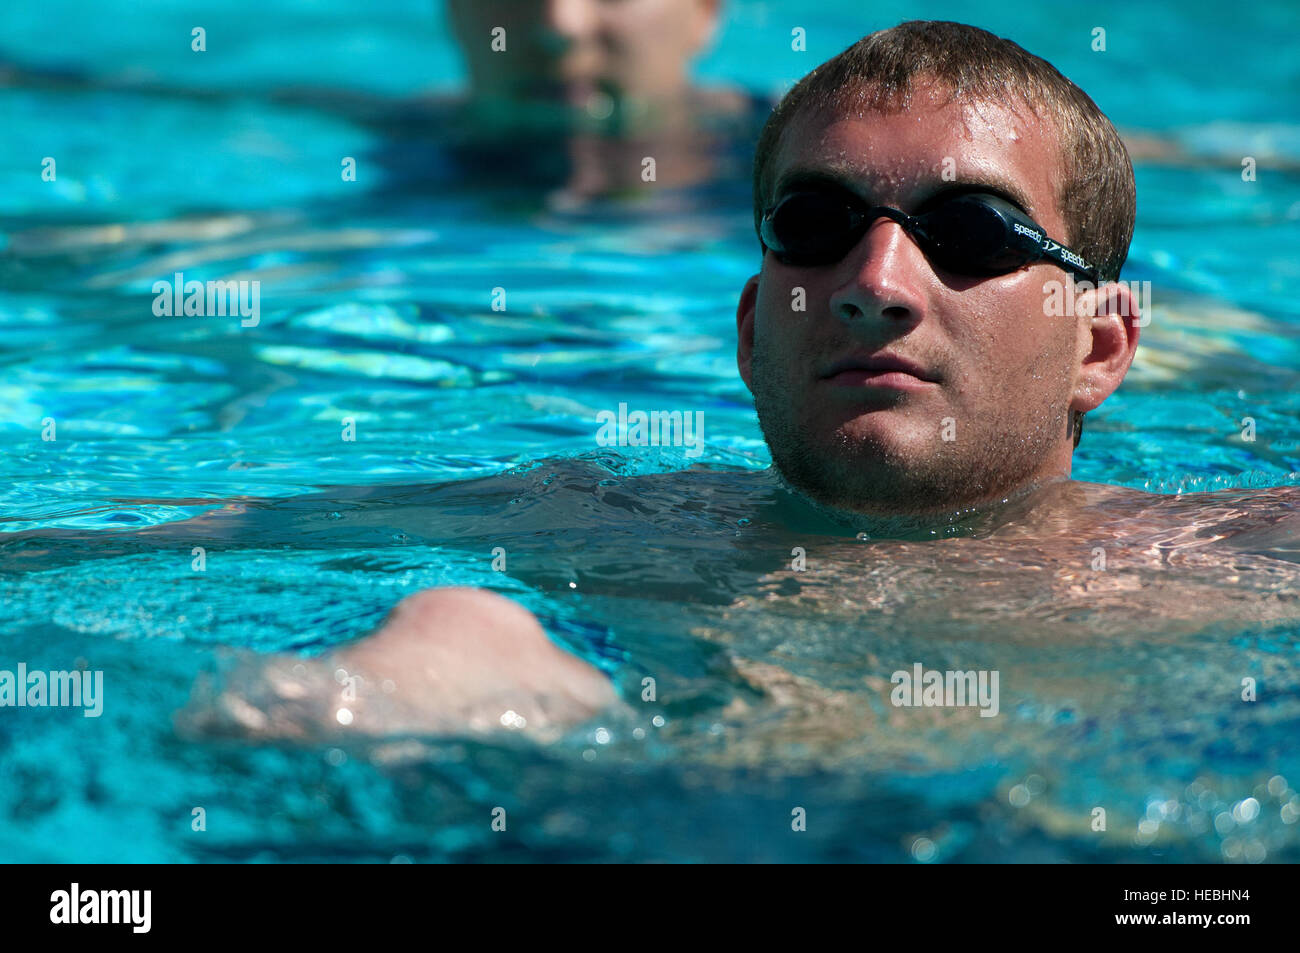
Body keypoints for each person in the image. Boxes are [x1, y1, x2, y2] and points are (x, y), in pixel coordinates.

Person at [8, 21, 1297, 740]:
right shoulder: (604, 525)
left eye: (970, 235)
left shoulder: (1253, 559)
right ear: (749, 331)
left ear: (1107, 344)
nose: (877, 282)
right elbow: (172, 540)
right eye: (814, 225)